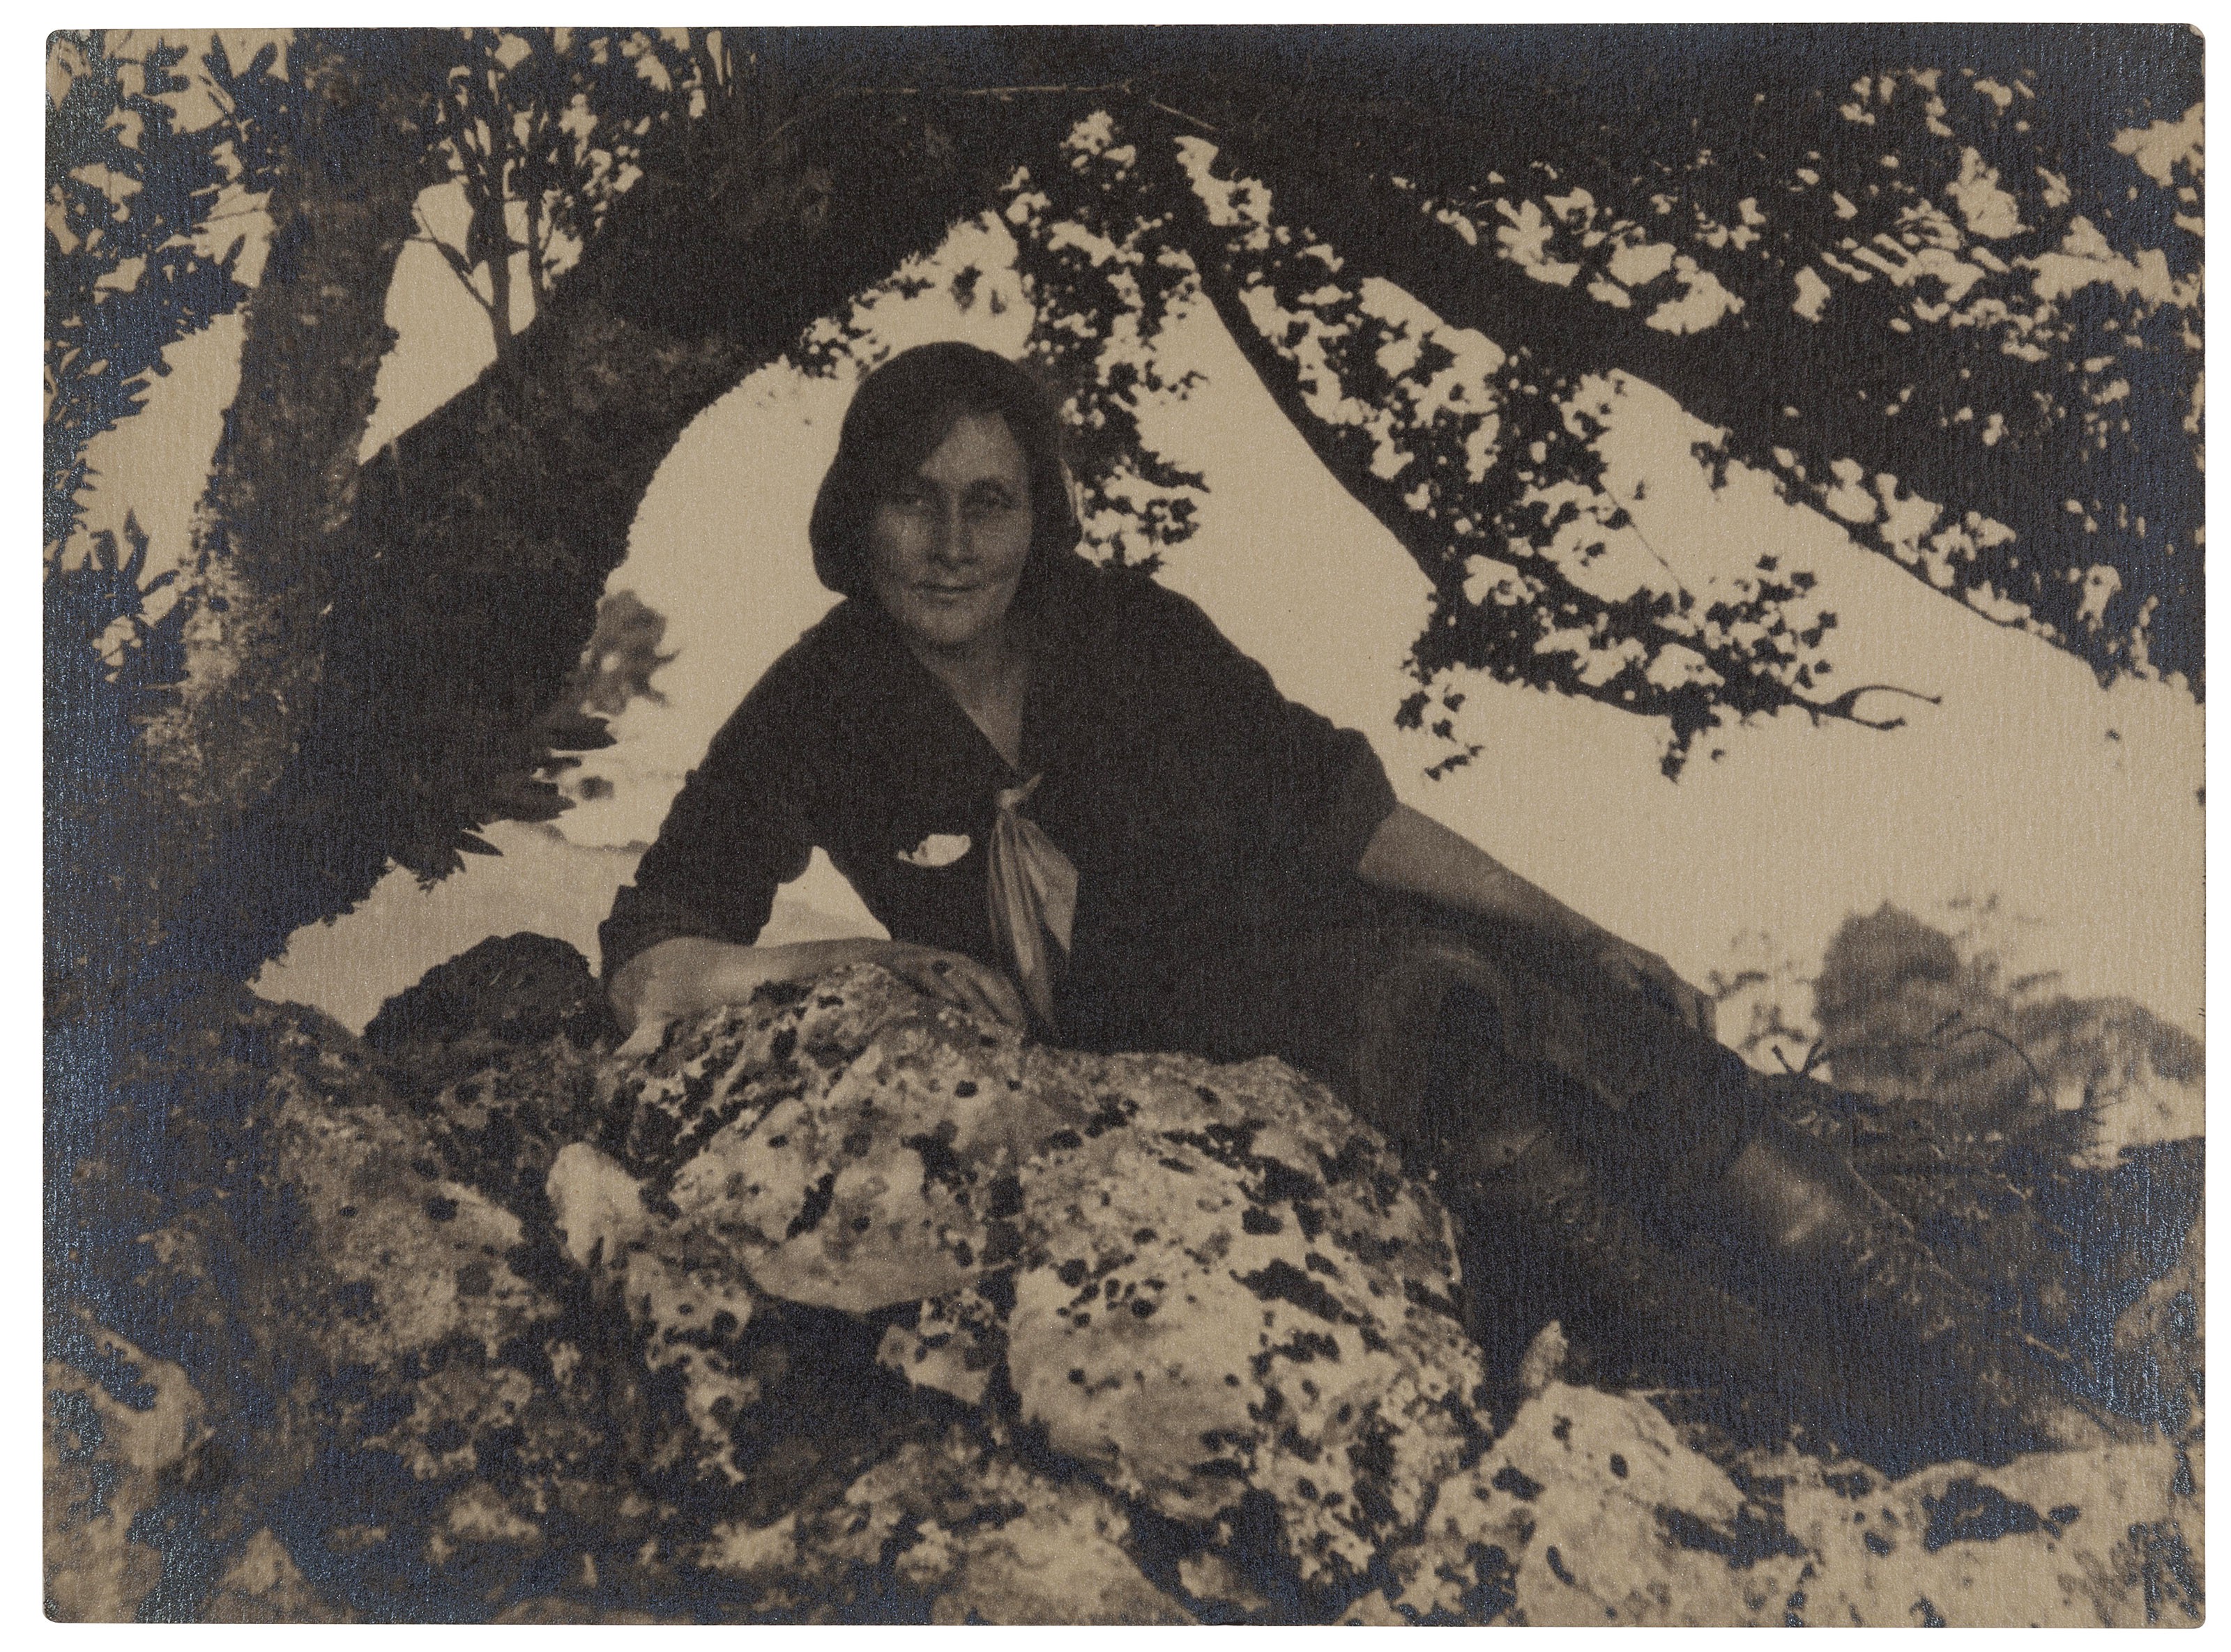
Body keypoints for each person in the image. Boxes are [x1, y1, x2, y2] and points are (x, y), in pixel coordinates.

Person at [601, 342, 2061, 1453]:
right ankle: (1869, 1428)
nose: (952, 542)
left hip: (1338, 946)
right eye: (911, 501)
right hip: (1194, 1048)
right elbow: (655, 946)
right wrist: (838, 962)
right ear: (855, 513)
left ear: (1041, 518)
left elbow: (1342, 813)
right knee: (1483, 1094)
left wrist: (1578, 927)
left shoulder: (1131, 632)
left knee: (1620, 1040)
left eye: (991, 502)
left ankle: (2001, 1398)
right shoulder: (817, 701)